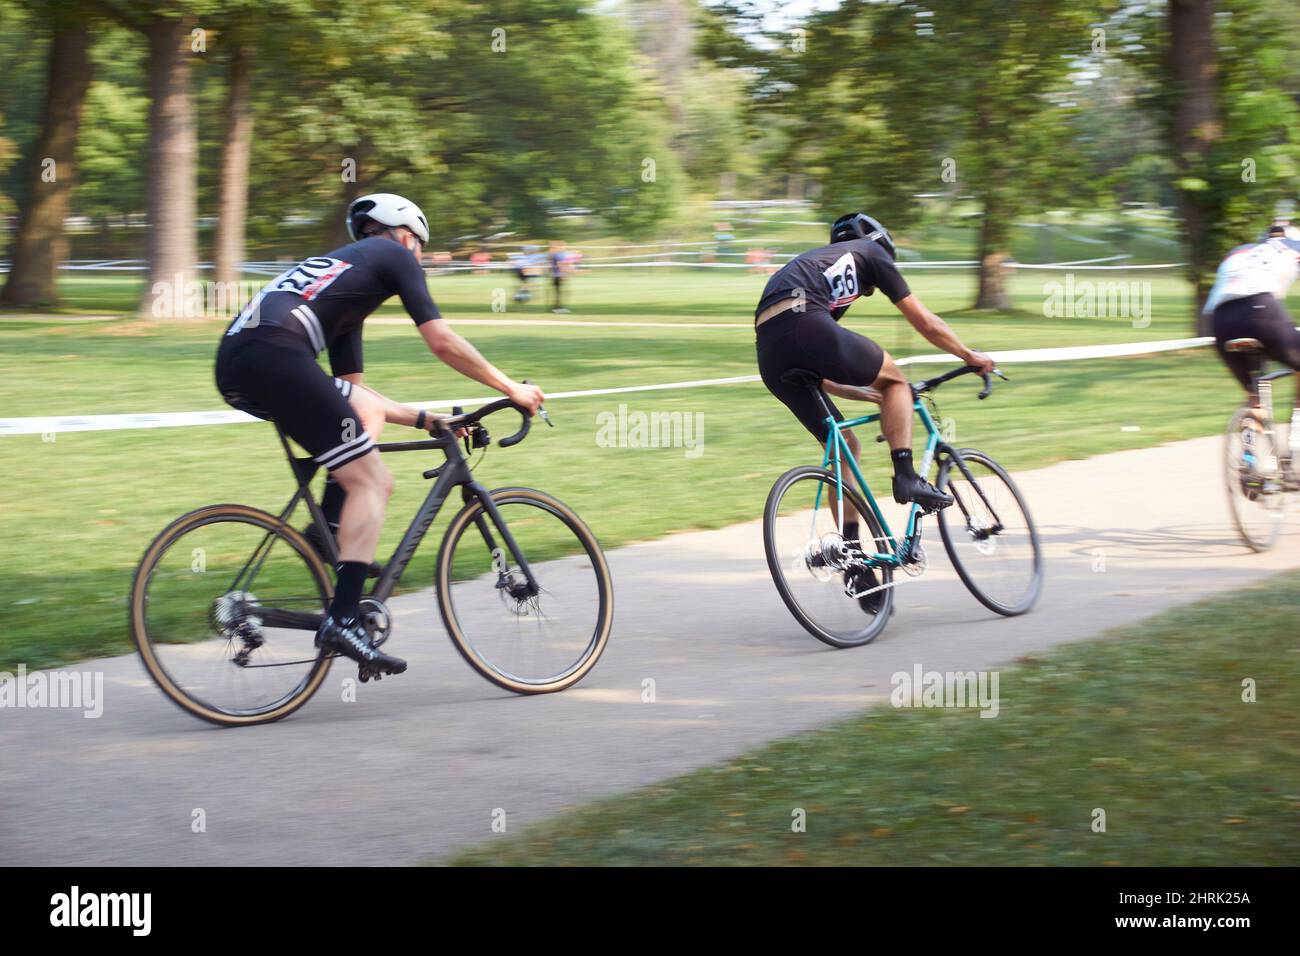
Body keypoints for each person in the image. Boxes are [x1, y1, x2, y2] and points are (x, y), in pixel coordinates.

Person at [215, 193, 544, 677]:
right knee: (373, 482)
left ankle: (328, 527)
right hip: (274, 356)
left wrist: (429, 421)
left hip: (241, 365)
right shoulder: (391, 255)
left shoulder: (343, 292)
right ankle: (344, 619)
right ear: (405, 235)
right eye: (421, 248)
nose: (419, 260)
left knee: (358, 428)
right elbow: (442, 341)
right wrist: (511, 388)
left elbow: (355, 398)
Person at [754, 212, 993, 610]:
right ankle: (906, 476)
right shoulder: (870, 252)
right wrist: (971, 356)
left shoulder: (816, 266)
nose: (868, 292)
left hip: (770, 353)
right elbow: (926, 323)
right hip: (807, 328)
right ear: (882, 245)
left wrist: (873, 396)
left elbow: (822, 376)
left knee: (842, 442)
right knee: (897, 379)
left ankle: (853, 559)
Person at [1205, 222, 1300, 416]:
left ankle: (1253, 419)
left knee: (1254, 394)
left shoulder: (1242, 251)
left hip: (1219, 321)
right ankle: (1297, 429)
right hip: (1261, 311)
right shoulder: (1293, 248)